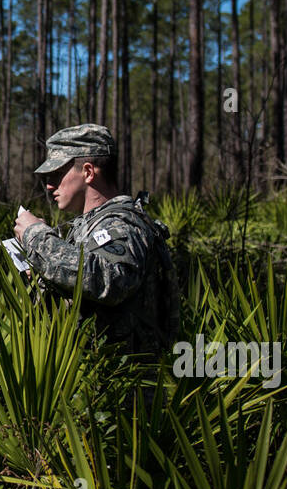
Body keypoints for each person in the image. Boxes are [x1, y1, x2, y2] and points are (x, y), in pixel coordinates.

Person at [12, 123, 177, 358]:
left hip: (122, 386)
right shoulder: (92, 225)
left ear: (88, 172)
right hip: (92, 382)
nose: (49, 186)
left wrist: (36, 236)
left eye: (57, 174)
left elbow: (109, 279)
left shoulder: (121, 223)